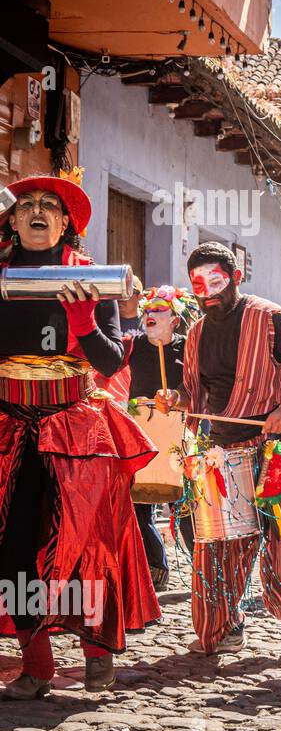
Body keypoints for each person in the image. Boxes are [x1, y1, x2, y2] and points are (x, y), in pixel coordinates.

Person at [0, 171, 158, 698]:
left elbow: (111, 360)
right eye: (27, 205)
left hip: (74, 428)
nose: (37, 211)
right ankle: (37, 665)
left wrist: (85, 322)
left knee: (85, 544)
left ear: (66, 223)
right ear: (13, 219)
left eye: (50, 205)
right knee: (13, 547)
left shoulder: (93, 278)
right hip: (9, 429)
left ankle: (95, 653)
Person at [182, 242, 281, 655]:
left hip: (276, 449)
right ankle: (224, 628)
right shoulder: (196, 332)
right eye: (198, 284)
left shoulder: (270, 319)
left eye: (216, 281)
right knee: (218, 547)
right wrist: (174, 401)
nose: (207, 293)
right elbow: (195, 396)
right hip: (224, 451)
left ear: (236, 277)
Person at [123, 286, 190, 589]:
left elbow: (200, 389)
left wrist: (178, 397)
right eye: (148, 310)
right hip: (142, 433)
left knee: (185, 506)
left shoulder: (188, 347)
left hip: (178, 435)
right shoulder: (133, 346)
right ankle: (156, 565)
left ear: (174, 319)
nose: (150, 315)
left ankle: (203, 572)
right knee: (140, 502)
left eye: (159, 310)